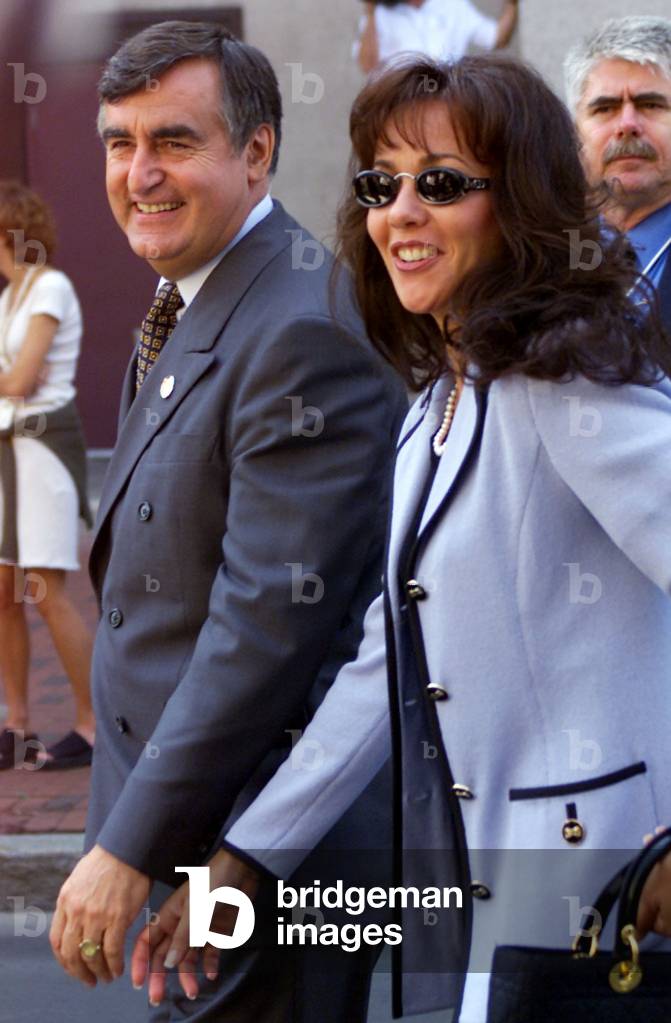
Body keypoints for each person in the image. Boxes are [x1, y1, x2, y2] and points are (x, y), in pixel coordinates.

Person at [131, 55, 671, 1022]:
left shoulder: (569, 387)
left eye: (444, 183)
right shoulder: (436, 407)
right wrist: (244, 863)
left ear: (521, 203)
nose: (400, 213)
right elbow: (383, 670)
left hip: (598, 887)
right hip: (480, 889)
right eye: (382, 185)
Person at [48, 19, 406, 1023]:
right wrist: (128, 833)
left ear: (255, 154)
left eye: (173, 141)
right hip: (192, 828)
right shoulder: (193, 294)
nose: (138, 173)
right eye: (119, 143)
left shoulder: (298, 325)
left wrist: (130, 842)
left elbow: (265, 631)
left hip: (261, 855)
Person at [0, 181, 94, 772]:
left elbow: (22, 379)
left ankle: (90, 726)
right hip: (9, 452)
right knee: (4, 590)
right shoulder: (12, 296)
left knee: (47, 589)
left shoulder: (49, 288)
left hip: (40, 449)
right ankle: (17, 725)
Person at [566, 16, 671, 328]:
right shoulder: (543, 257)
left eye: (651, 105)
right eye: (605, 108)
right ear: (574, 134)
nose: (627, 125)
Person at [354, 0, 519, 75]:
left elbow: (497, 38)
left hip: (450, 98)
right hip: (401, 102)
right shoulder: (379, 15)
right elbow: (368, 65)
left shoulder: (452, 4)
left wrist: (512, 3)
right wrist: (370, 11)